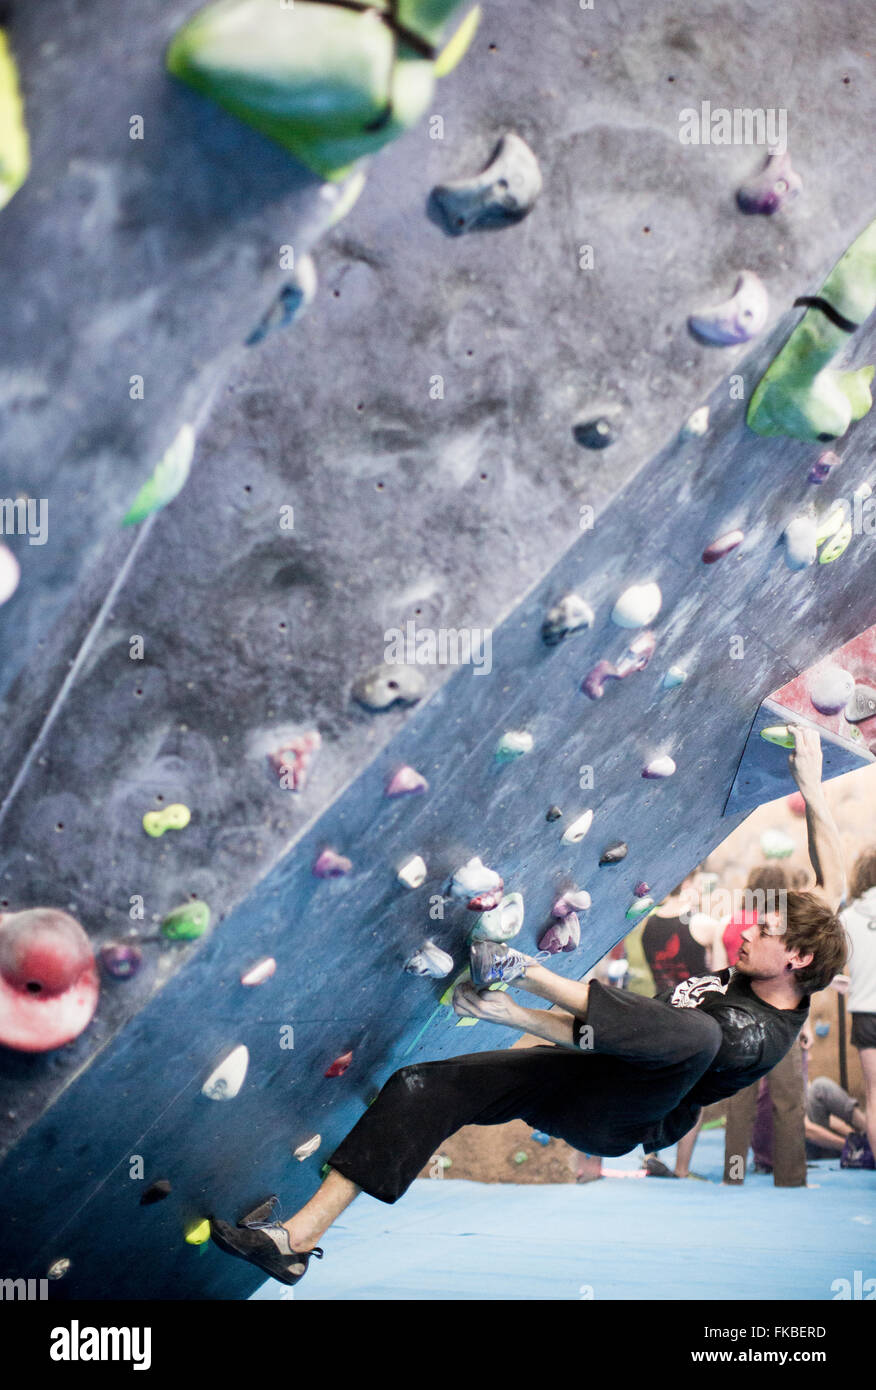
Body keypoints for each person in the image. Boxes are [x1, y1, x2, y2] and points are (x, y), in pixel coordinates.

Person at [209, 729, 847, 1287]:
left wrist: (525, 990)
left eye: (768, 934)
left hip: (623, 1116)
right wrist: (813, 786)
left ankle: (528, 968)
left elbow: (642, 1042)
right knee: (424, 1085)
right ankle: (291, 1242)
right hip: (590, 1071)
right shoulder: (793, 961)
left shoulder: (752, 1033)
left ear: (795, 959)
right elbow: (833, 885)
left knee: (698, 1040)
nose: (750, 932)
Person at [722, 864, 808, 1187]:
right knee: (787, 1099)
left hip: (738, 1016)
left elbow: (722, 966)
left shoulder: (735, 925)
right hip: (777, 1016)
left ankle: (733, 1175)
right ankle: (791, 1177)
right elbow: (795, 977)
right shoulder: (783, 926)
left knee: (739, 1102)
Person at [841, 847, 876, 1162]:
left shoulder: (848, 917)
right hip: (864, 1007)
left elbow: (829, 968)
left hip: (866, 1011)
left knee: (874, 1095)